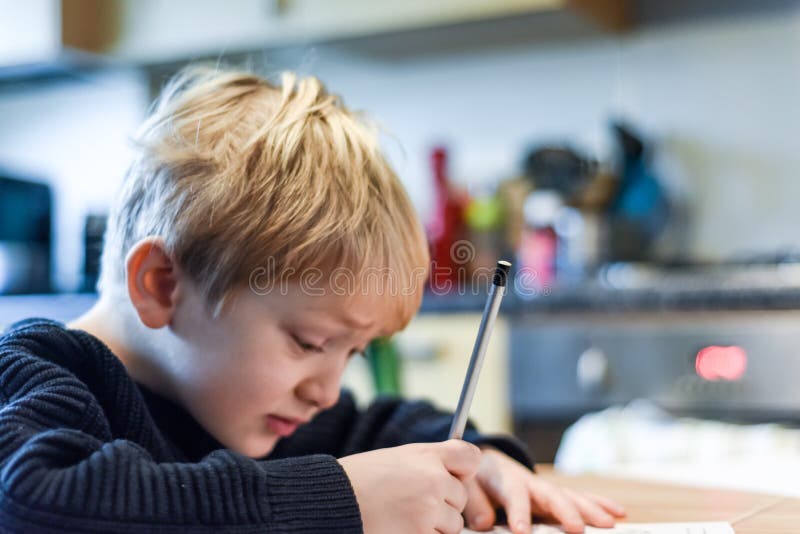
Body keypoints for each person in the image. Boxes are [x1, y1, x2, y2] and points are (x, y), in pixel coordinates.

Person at [0, 67, 625, 534]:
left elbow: (377, 425)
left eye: (351, 352)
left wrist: (482, 456)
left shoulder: (230, 398)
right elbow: (35, 502)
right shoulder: (39, 375)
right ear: (164, 284)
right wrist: (342, 497)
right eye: (309, 343)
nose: (325, 390)